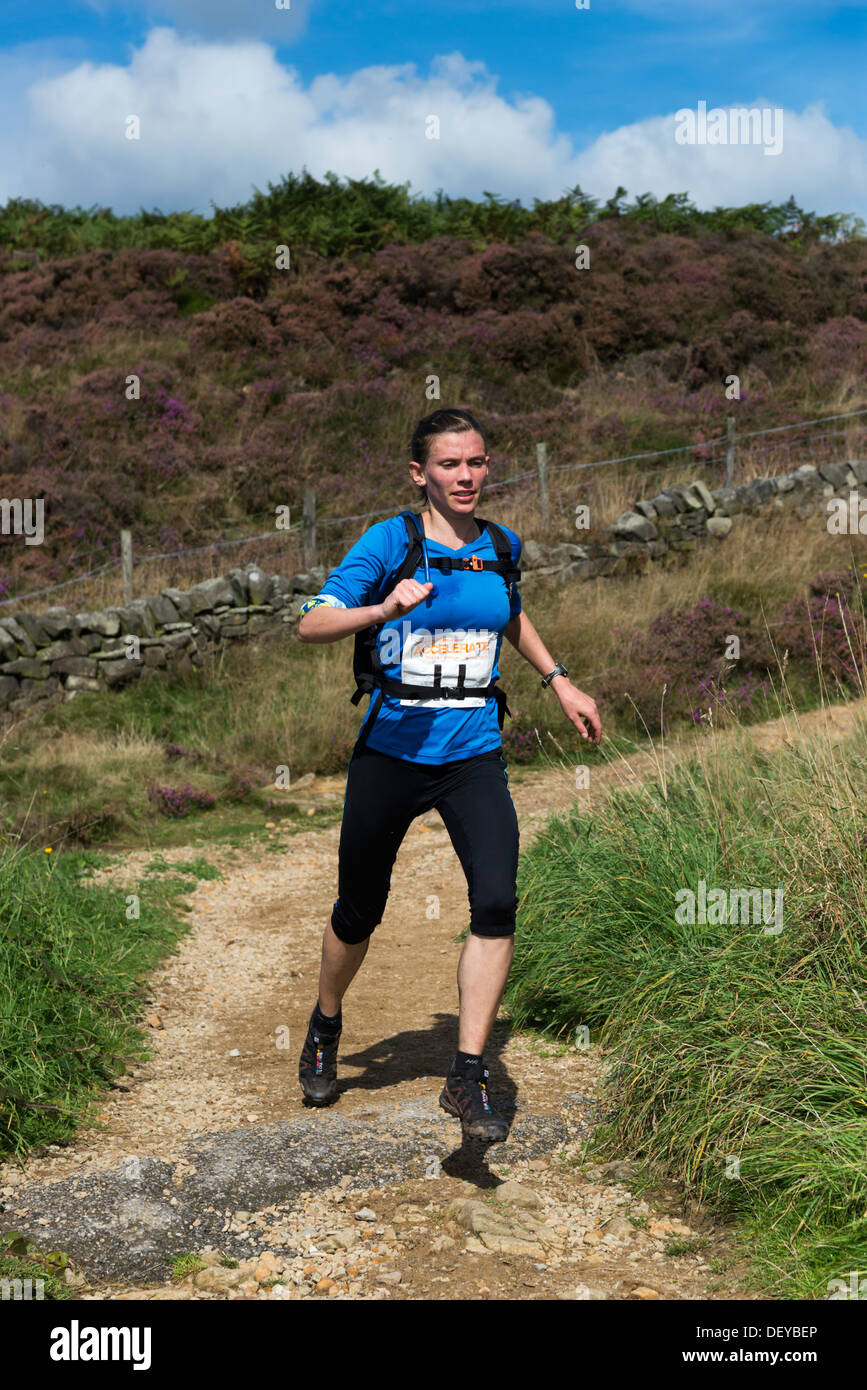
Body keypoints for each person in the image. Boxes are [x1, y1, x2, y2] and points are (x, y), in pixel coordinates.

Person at [295, 407, 601, 1142]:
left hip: (472, 754)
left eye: (477, 463)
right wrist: (380, 607)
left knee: (496, 901)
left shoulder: (499, 545)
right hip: (391, 752)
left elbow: (508, 614)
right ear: (419, 473)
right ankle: (325, 1023)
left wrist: (558, 679)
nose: (466, 477)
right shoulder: (389, 542)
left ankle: (467, 1077)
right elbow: (310, 621)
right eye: (449, 465)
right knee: (358, 909)